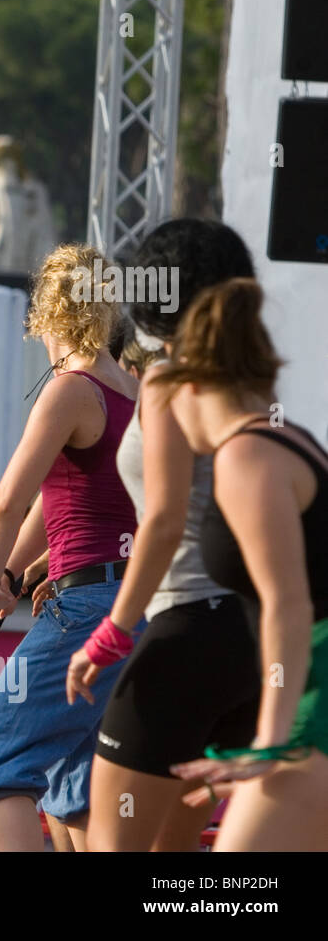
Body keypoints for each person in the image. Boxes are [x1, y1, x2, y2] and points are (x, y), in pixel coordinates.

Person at [66, 219, 261, 852]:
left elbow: (165, 519)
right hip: (246, 640)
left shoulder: (167, 381)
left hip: (187, 631)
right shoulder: (249, 387)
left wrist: (111, 632)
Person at [0, 243, 141, 852]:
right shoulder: (133, 389)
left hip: (85, 609)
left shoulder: (70, 390)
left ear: (48, 314)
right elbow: (66, 498)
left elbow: (8, 503)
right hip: (129, 604)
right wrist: (24, 570)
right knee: (76, 783)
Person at [160, 279, 328, 851]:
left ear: (191, 385)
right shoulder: (290, 440)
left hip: (314, 704)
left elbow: (288, 602)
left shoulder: (245, 454)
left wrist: (271, 742)